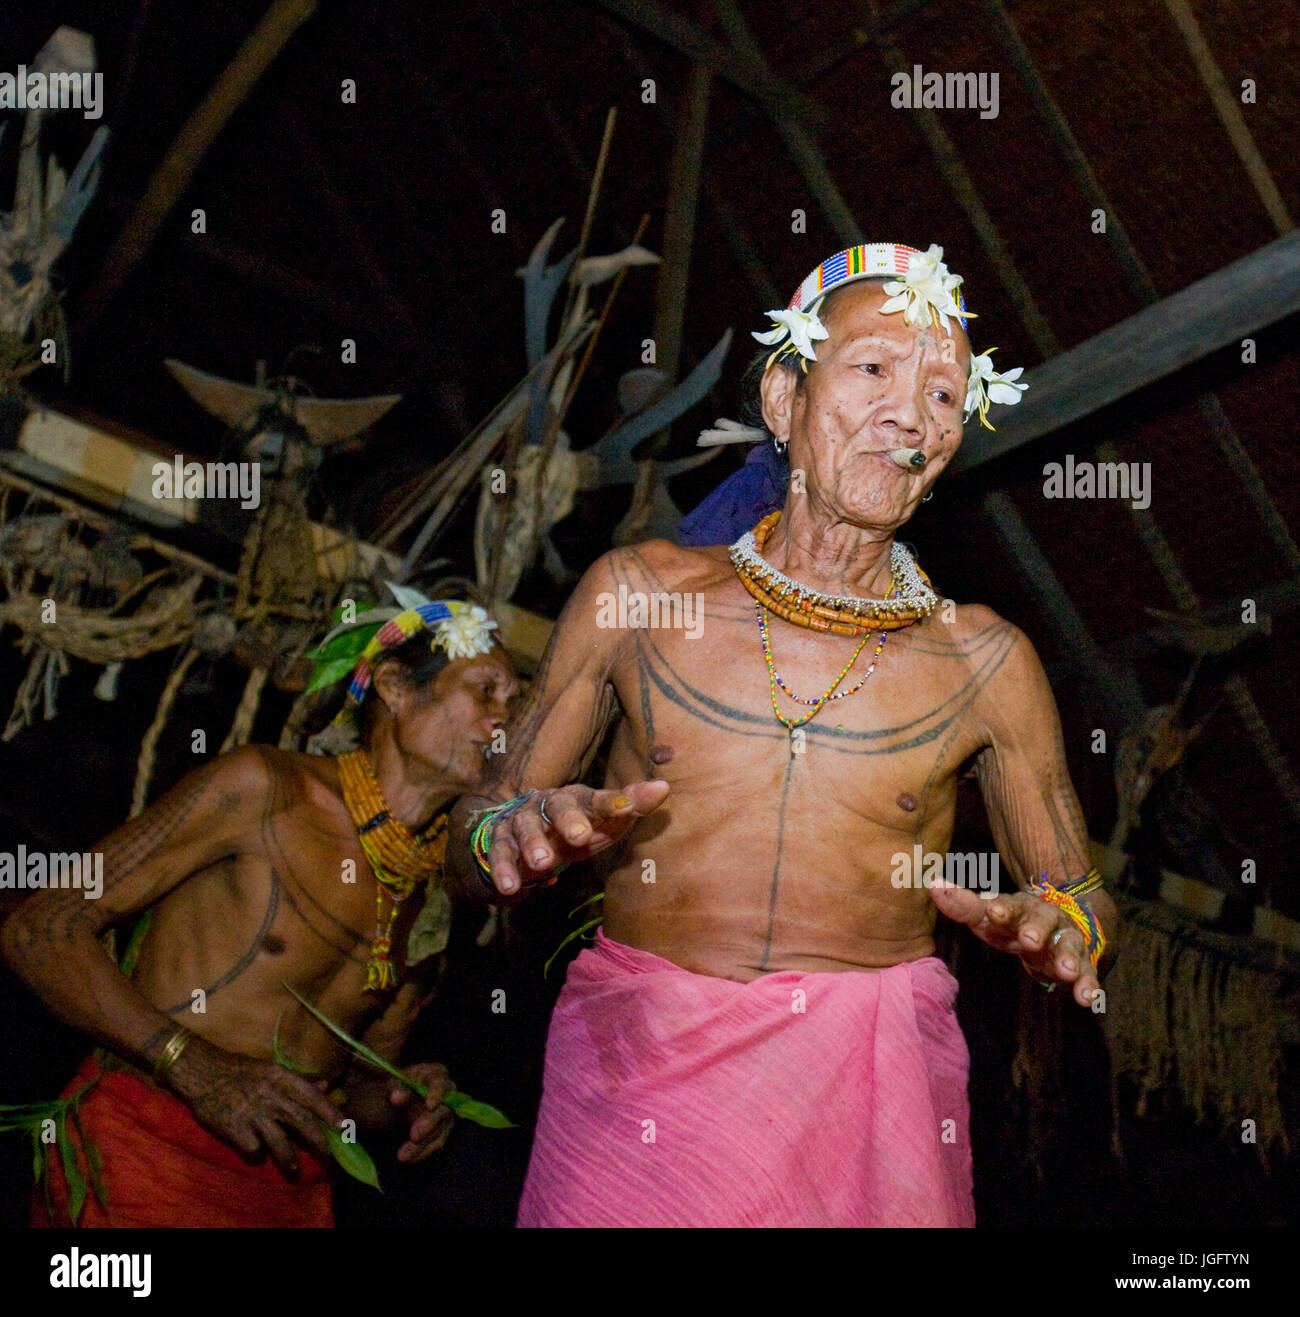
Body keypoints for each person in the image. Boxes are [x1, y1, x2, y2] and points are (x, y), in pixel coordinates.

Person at [447, 243, 1119, 1228]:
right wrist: (503, 837)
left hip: (865, 1102)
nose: (910, 415)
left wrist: (1068, 925)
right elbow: (471, 840)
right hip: (635, 1081)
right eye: (875, 370)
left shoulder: (987, 662)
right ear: (782, 401)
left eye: (944, 394)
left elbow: (1080, 886)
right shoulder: (634, 595)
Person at [2, 596, 519, 1226]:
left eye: (514, 706)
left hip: (289, 1189)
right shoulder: (265, 789)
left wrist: (400, 1099)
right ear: (395, 689)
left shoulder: (436, 886)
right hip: (145, 1153)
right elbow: (42, 928)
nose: (504, 721)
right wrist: (191, 1066)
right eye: (487, 690)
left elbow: (356, 1090)